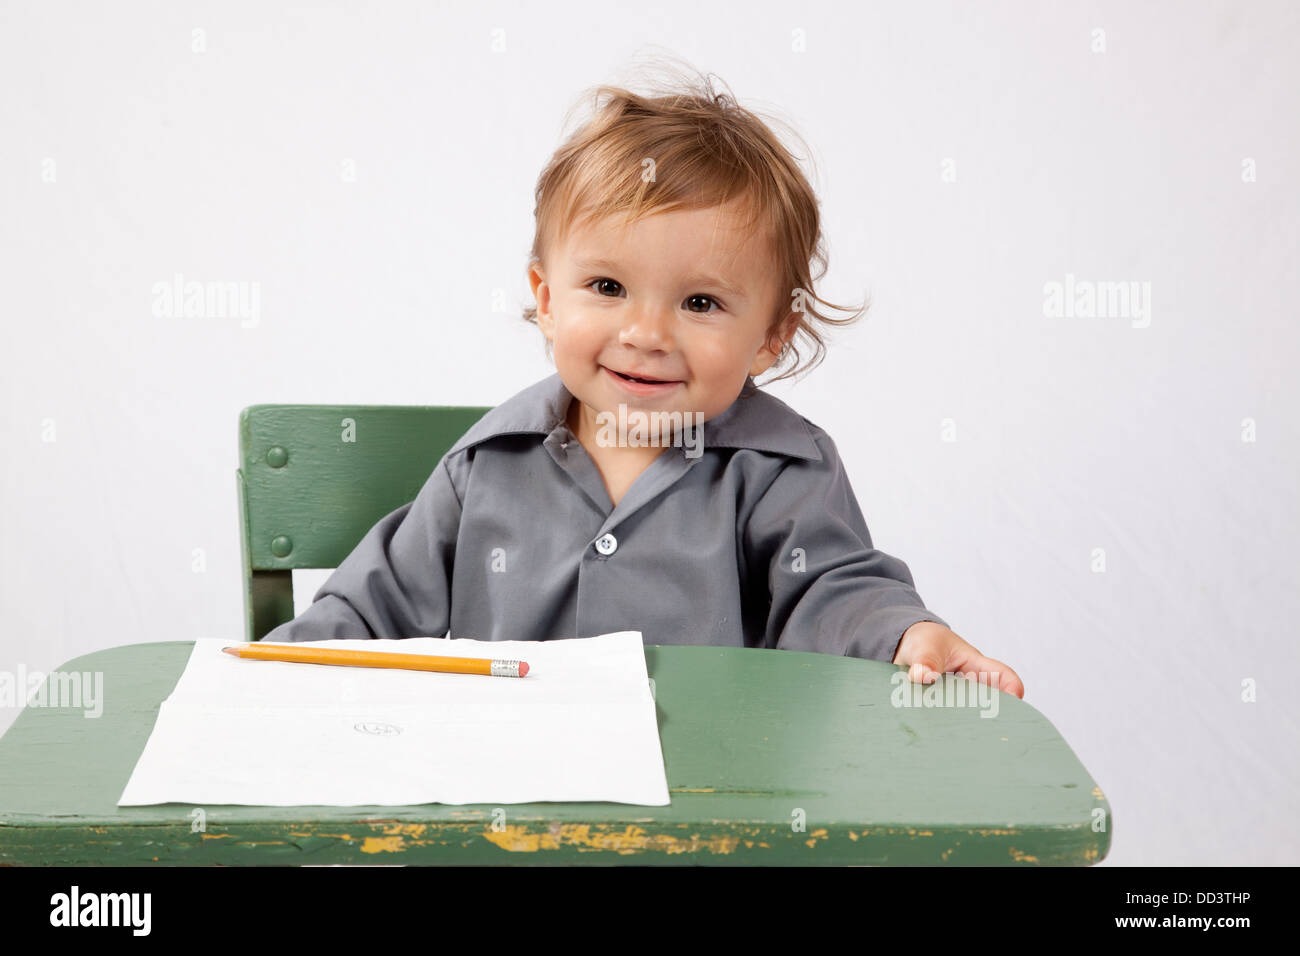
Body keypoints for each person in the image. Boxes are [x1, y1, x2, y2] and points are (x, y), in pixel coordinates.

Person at [262, 63, 1024, 699]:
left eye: (699, 303)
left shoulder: (780, 470)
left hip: (715, 812)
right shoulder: (485, 466)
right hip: (504, 807)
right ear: (547, 298)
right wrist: (265, 682)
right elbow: (373, 608)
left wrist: (906, 632)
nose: (646, 334)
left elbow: (834, 587)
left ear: (772, 335)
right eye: (606, 287)